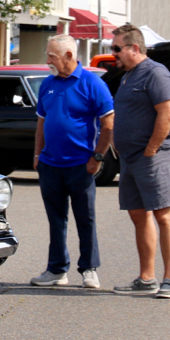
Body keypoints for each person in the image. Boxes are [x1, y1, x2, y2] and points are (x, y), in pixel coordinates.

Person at [29, 34, 115, 289]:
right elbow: (41, 123)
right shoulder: (48, 84)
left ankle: (89, 269)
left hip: (80, 165)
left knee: (85, 218)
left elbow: (108, 124)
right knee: (56, 220)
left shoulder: (92, 83)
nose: (48, 60)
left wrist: (97, 157)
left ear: (68, 56)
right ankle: (56, 269)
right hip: (50, 165)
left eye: (52, 56)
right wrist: (37, 155)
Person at [109, 25, 170, 299]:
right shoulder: (127, 76)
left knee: (163, 214)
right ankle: (147, 277)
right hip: (129, 158)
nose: (113, 53)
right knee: (138, 214)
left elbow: (167, 113)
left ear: (134, 48)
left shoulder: (156, 73)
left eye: (117, 48)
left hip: (153, 156)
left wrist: (151, 149)